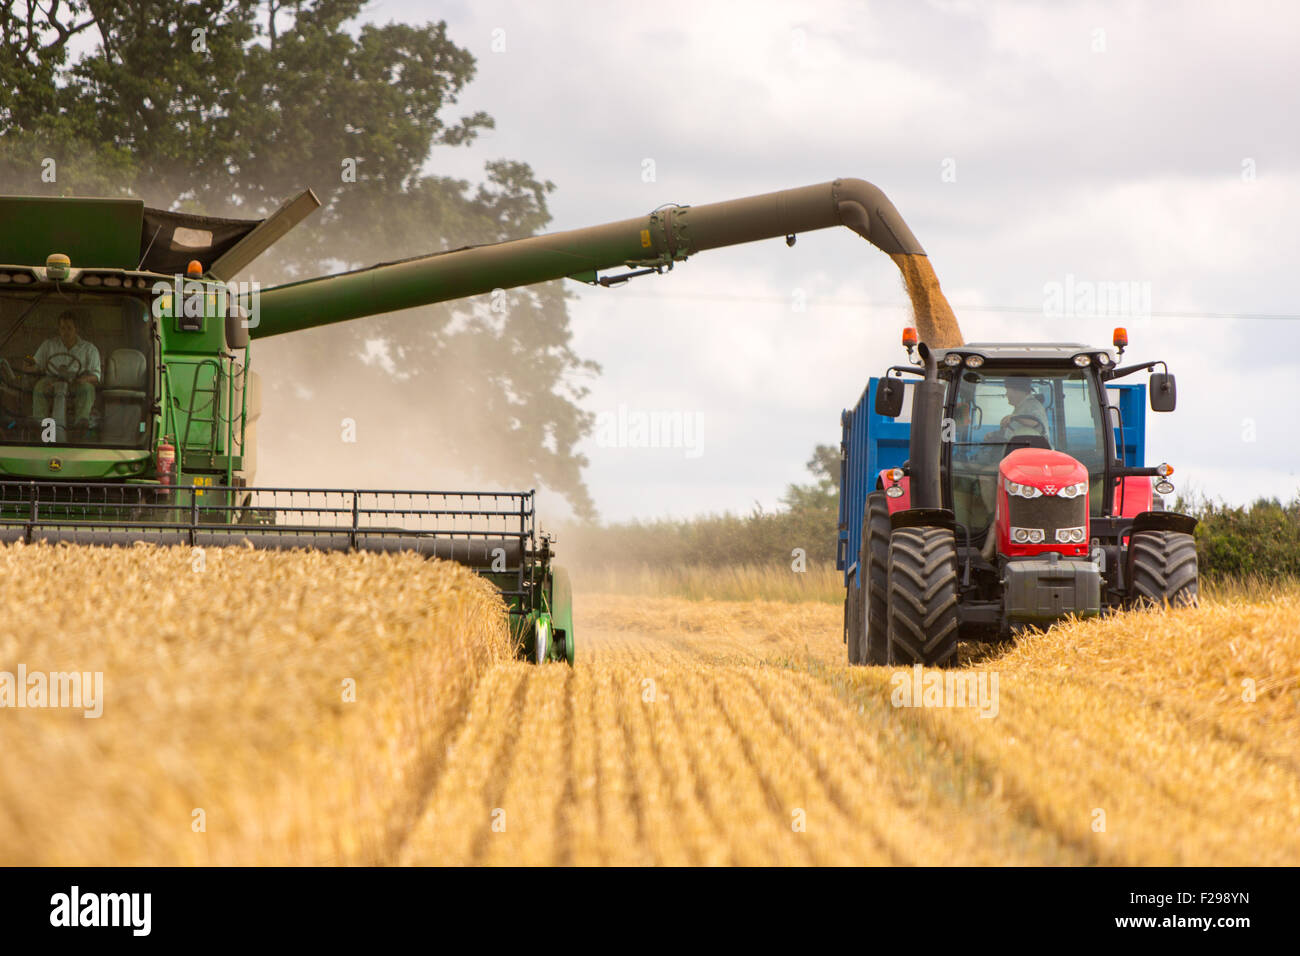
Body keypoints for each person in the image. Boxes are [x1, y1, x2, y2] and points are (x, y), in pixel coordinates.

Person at [26, 311, 102, 432]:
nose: (65, 332)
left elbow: (96, 375)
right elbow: (36, 365)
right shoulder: (48, 345)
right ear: (59, 329)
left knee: (87, 389)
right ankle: (40, 424)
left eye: (69, 328)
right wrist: (29, 366)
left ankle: (81, 424)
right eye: (62, 328)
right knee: (39, 387)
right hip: (52, 381)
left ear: (76, 329)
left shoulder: (89, 349)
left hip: (76, 382)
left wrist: (84, 380)